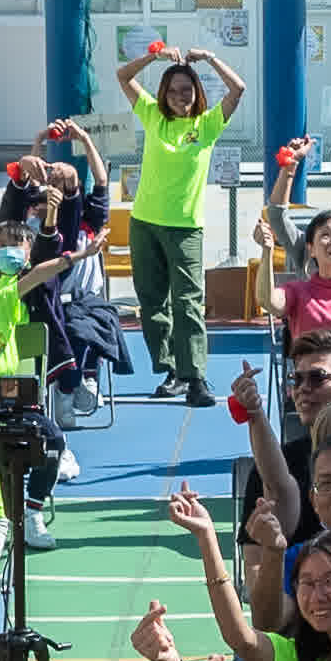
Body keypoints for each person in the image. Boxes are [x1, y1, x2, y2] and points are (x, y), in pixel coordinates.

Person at [116, 44, 237, 404]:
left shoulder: (207, 124)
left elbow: (238, 89)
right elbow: (123, 77)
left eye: (187, 90)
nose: (180, 97)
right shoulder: (153, 115)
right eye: (172, 91)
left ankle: (196, 376)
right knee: (152, 300)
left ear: (197, 93)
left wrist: (211, 58)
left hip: (185, 228)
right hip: (144, 224)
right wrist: (154, 56)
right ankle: (172, 371)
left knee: (187, 302)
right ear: (163, 95)